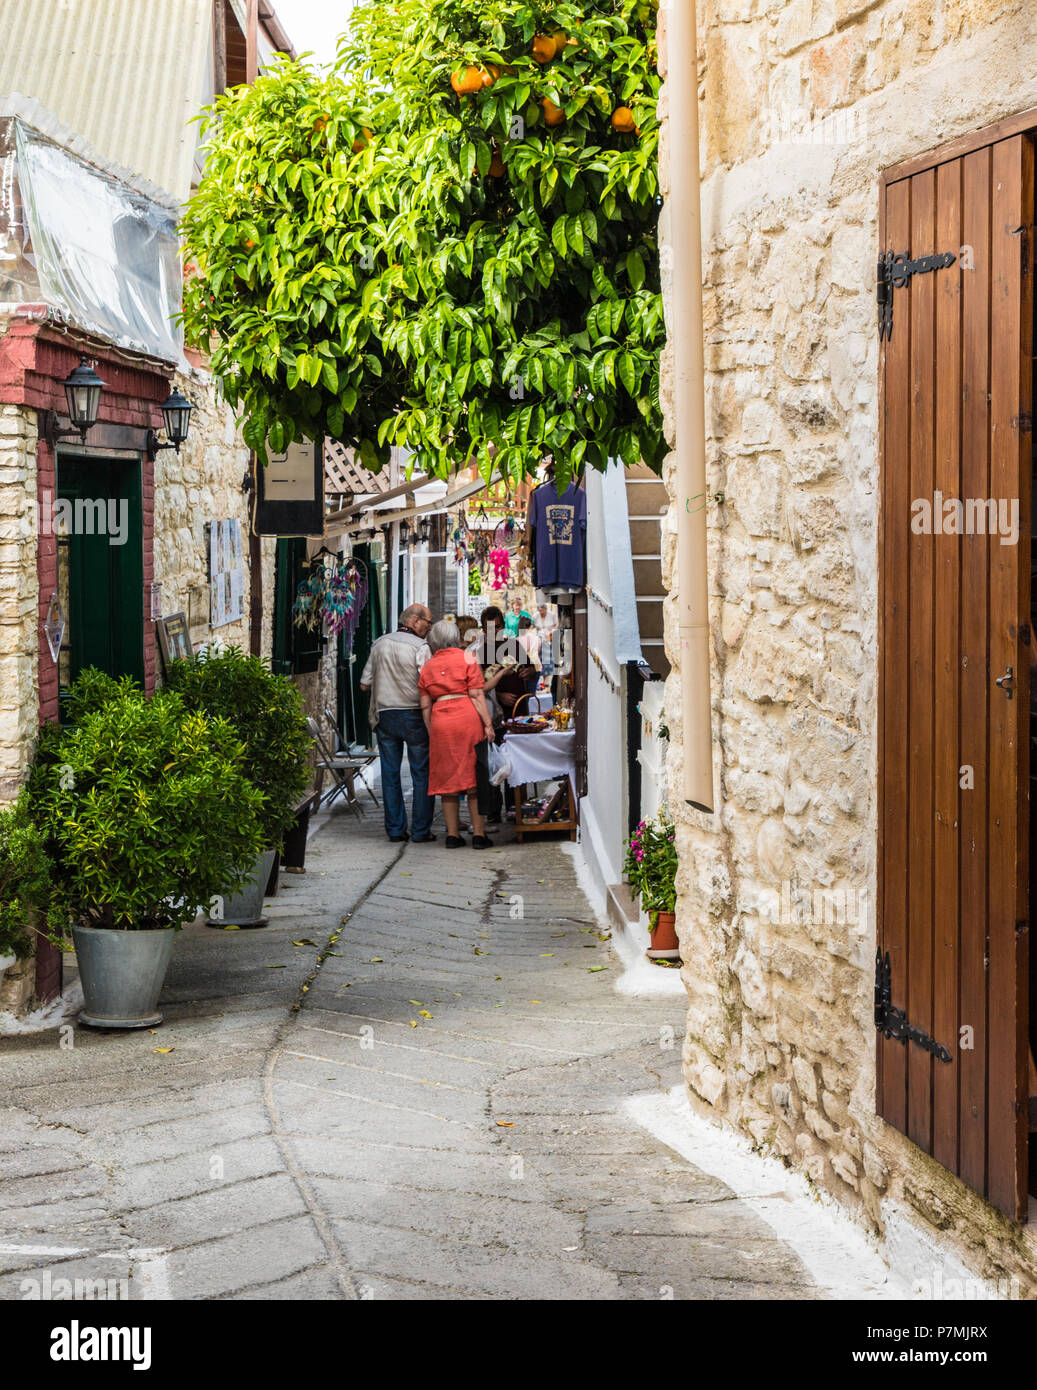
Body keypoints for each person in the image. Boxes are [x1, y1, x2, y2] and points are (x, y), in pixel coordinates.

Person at [360, 603, 436, 843]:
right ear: (415, 621)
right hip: (413, 714)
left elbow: (364, 684)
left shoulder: (379, 643)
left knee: (390, 773)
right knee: (421, 772)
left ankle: (395, 829)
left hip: (385, 715)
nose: (430, 627)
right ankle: (421, 830)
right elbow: (429, 683)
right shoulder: (421, 647)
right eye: (428, 622)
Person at [419, 620, 494, 849]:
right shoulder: (468, 659)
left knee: (447, 778)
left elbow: (425, 706)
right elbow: (477, 695)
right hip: (467, 718)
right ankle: (479, 835)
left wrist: (433, 731)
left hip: (441, 720)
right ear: (456, 637)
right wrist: (488, 725)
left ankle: (452, 835)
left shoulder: (428, 667)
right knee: (474, 775)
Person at [517, 613, 542, 697]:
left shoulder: (518, 639)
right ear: (530, 626)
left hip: (525, 668)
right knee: (532, 694)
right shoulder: (537, 638)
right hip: (536, 666)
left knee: (524, 695)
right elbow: (537, 652)